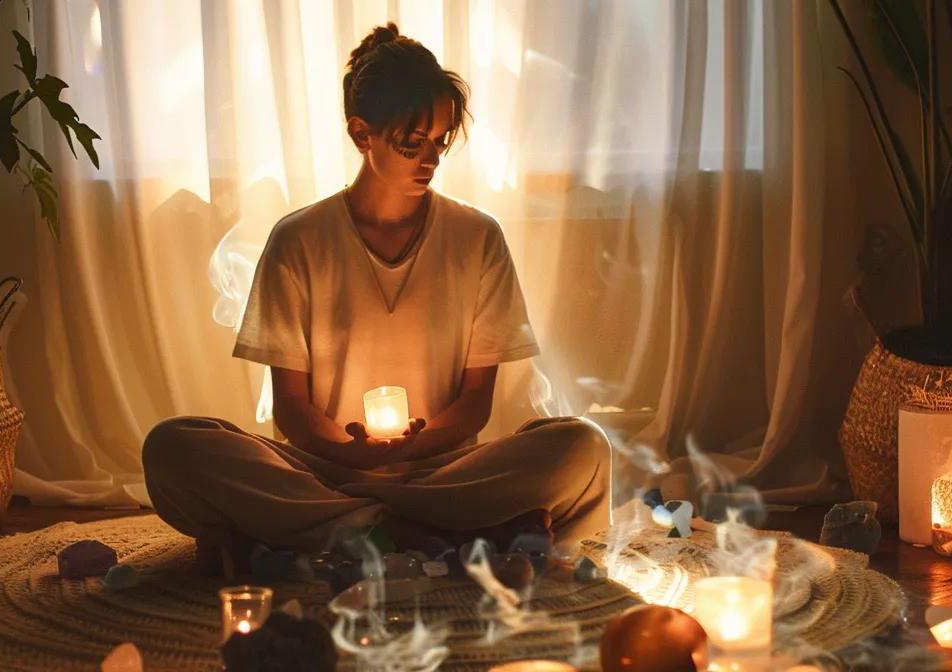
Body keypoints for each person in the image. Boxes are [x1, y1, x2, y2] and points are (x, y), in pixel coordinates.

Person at [142, 24, 608, 556]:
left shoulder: (478, 237)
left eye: (441, 142)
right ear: (362, 134)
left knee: (582, 446)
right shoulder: (298, 240)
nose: (430, 160)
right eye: (412, 143)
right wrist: (353, 456)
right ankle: (432, 533)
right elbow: (291, 407)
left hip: (445, 474)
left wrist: (417, 445)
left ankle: (347, 531)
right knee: (174, 445)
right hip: (324, 473)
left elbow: (477, 400)